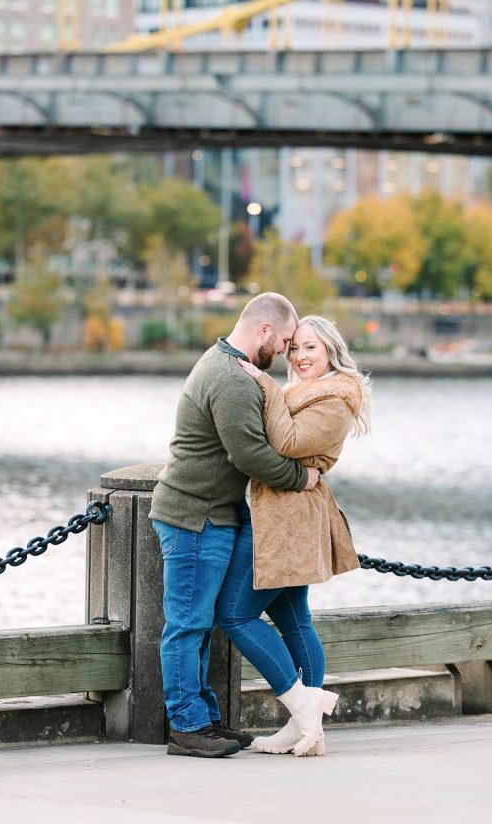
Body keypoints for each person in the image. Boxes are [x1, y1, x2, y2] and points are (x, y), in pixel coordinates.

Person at [150, 292, 322, 759]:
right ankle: (187, 727)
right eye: (285, 340)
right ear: (264, 330)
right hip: (194, 517)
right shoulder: (230, 378)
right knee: (187, 625)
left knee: (200, 624)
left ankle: (205, 719)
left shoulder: (228, 365)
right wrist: (302, 478)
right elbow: (250, 455)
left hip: (212, 515)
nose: (286, 351)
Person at [215, 314, 371, 757]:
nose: (300, 356)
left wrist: (262, 385)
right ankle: (305, 728)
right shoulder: (300, 392)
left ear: (331, 354)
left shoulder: (335, 400)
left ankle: (304, 709)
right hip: (278, 512)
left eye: (311, 349)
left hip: (289, 519)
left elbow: (285, 441)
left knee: (235, 615)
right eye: (296, 347)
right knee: (293, 619)